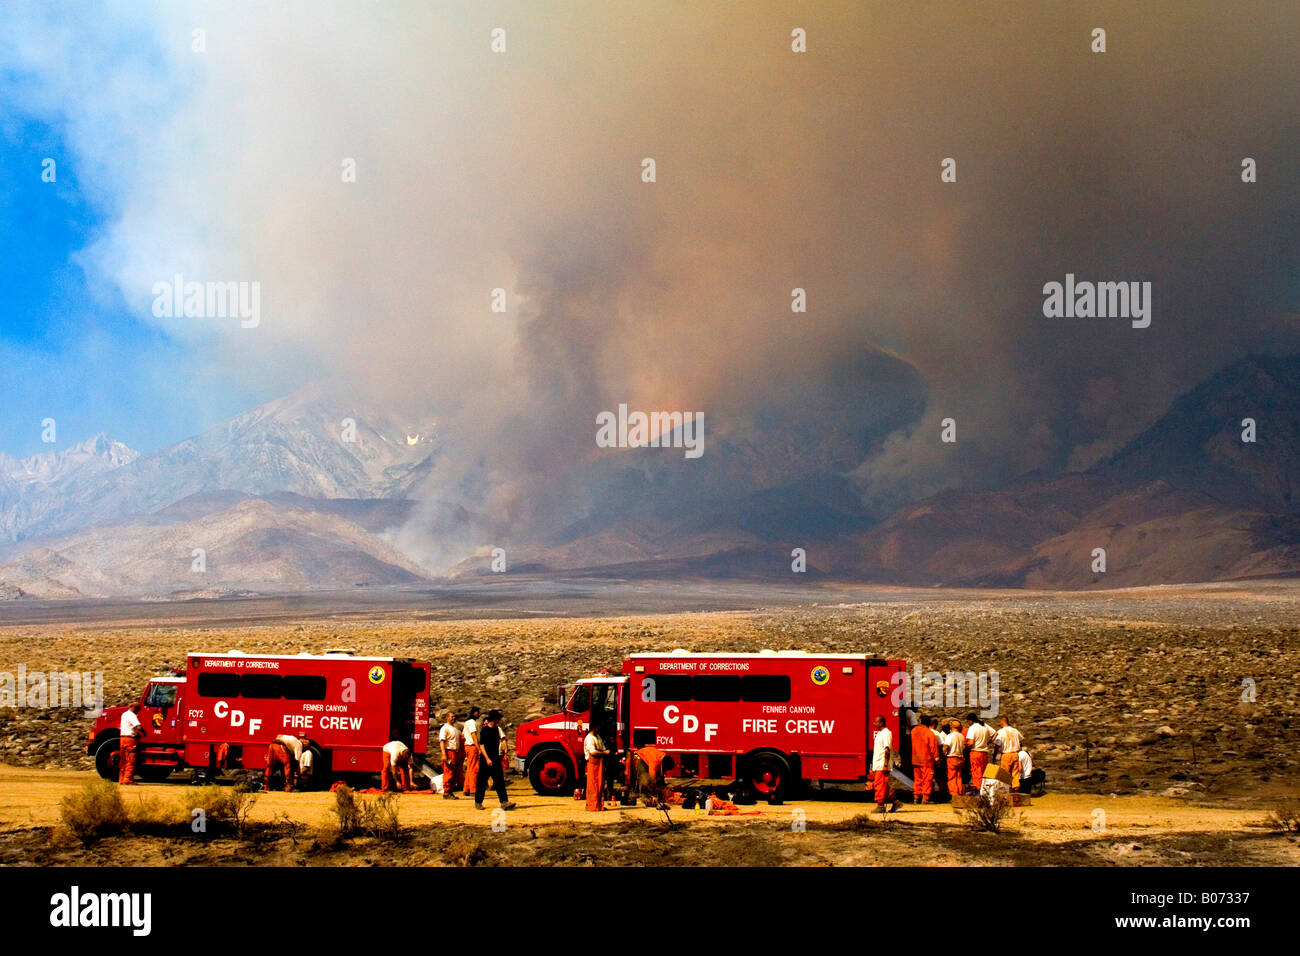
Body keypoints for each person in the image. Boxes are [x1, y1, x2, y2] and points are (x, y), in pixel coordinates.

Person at [474, 710, 516, 810]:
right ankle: (478, 802)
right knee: (482, 781)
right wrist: (487, 759)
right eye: (498, 719)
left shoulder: (497, 729)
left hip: (496, 758)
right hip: (485, 760)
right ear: (494, 719)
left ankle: (504, 802)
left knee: (499, 781)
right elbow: (482, 745)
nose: (499, 721)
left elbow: (501, 740)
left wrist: (504, 751)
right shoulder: (484, 730)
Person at [871, 716, 899, 812]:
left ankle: (880, 806)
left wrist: (885, 764)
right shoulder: (880, 733)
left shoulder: (886, 733)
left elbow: (887, 749)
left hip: (882, 763)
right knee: (884, 785)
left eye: (876, 722)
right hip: (878, 763)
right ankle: (895, 801)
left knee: (880, 785)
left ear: (881, 723)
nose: (875, 724)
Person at [910, 715, 940, 804]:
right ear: (929, 723)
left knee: (917, 779)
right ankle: (925, 798)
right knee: (927, 780)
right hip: (927, 760)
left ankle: (916, 797)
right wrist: (937, 759)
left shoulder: (913, 731)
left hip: (916, 759)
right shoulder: (929, 733)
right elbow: (933, 748)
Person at [965, 712, 994, 794]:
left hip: (975, 752)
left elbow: (971, 742)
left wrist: (966, 746)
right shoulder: (984, 727)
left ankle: (978, 790)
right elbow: (994, 735)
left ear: (970, 721)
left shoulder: (972, 728)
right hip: (984, 752)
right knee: (984, 772)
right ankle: (984, 791)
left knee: (976, 772)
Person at [583, 724, 610, 811]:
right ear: (594, 727)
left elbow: (602, 747)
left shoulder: (597, 736)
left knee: (599, 784)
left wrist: (604, 752)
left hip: (599, 762)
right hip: (593, 762)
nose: (599, 728)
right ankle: (592, 806)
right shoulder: (589, 738)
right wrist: (604, 753)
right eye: (597, 727)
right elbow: (593, 752)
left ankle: (599, 805)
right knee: (593, 784)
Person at [118, 703, 144, 785]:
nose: (138, 711)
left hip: (122, 738)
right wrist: (144, 732)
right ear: (135, 708)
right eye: (138, 709)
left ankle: (121, 779)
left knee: (123, 760)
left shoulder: (124, 714)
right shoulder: (132, 715)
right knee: (131, 760)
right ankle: (128, 779)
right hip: (130, 739)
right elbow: (138, 726)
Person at [438, 711, 461, 799]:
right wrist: (444, 754)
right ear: (447, 718)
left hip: (455, 752)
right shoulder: (445, 728)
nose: (453, 718)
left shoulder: (454, 728)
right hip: (449, 752)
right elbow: (442, 741)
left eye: (454, 716)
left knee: (454, 773)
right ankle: (446, 792)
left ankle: (450, 791)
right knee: (448, 772)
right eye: (451, 716)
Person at [995, 717, 1024, 788]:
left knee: (1005, 774)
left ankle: (1005, 789)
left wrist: (994, 755)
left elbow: (997, 744)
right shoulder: (1015, 730)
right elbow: (1021, 740)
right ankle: (1016, 788)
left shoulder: (1000, 732)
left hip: (1006, 754)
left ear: (1002, 722)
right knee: (1015, 773)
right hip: (1015, 754)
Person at [941, 718, 966, 798]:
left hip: (952, 757)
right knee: (959, 776)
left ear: (952, 726)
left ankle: (954, 794)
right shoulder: (962, 736)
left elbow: (945, 747)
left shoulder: (950, 736)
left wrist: (943, 753)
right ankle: (959, 792)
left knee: (951, 777)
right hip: (960, 758)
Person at [461, 707, 481, 797]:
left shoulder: (466, 723)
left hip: (467, 746)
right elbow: (474, 735)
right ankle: (473, 789)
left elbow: (463, 735)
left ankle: (466, 788)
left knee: (470, 768)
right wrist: (478, 748)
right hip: (472, 746)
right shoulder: (472, 722)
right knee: (474, 768)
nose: (479, 714)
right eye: (478, 712)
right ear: (474, 713)